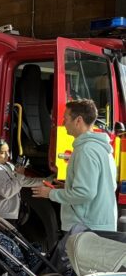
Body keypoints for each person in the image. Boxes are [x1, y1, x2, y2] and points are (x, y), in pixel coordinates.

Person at [31, 99, 117, 232]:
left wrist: (51, 193)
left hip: (85, 227)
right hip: (97, 224)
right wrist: (68, 187)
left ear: (78, 120)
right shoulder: (101, 148)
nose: (63, 123)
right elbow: (104, 186)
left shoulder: (85, 150)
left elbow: (85, 193)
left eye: (66, 118)